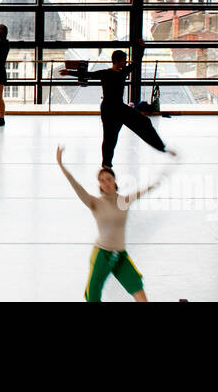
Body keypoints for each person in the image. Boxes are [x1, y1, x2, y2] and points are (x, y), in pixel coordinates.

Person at [55, 146, 162, 302]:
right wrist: (61, 165)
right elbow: (76, 185)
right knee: (93, 295)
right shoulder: (95, 203)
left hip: (120, 255)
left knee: (137, 288)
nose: (105, 182)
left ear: (114, 181)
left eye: (108, 179)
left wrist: (159, 179)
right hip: (102, 255)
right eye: (102, 180)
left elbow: (144, 191)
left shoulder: (124, 201)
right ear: (99, 184)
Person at [86, 39, 175, 168]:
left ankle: (161, 147)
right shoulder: (106, 73)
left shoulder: (122, 73)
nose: (125, 62)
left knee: (144, 122)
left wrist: (142, 48)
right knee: (110, 138)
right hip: (110, 110)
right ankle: (106, 163)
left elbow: (136, 62)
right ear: (116, 61)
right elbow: (88, 75)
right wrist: (69, 73)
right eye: (123, 60)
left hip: (118, 108)